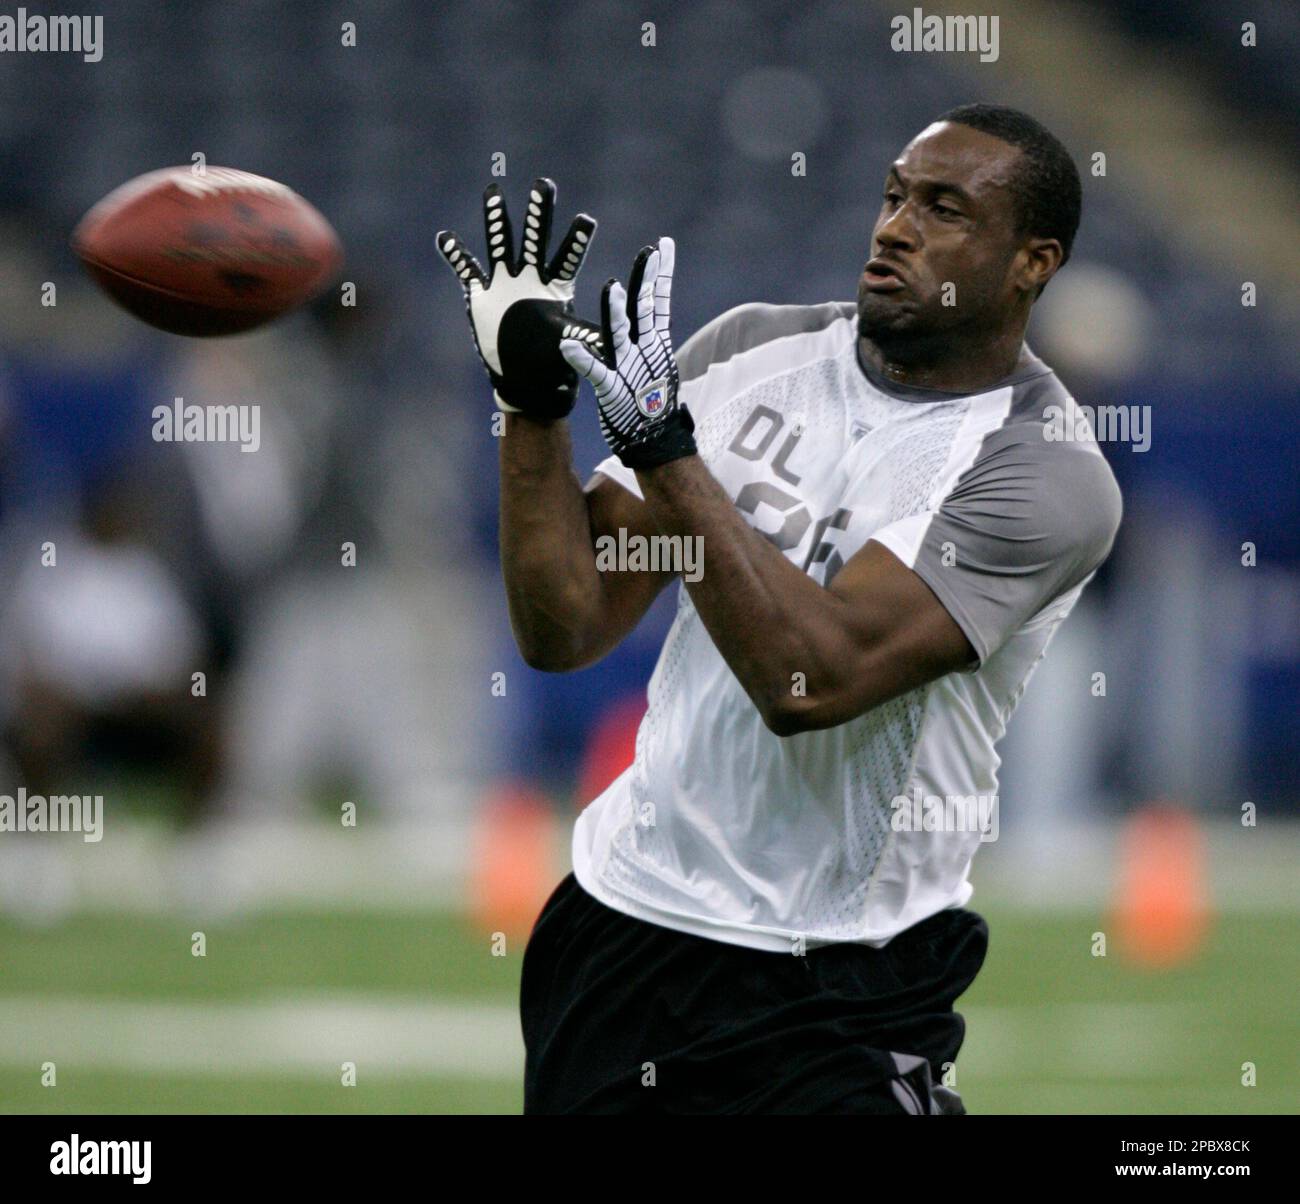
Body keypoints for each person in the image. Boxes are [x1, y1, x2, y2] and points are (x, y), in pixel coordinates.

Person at [438, 104, 1122, 1114]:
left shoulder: (1043, 470)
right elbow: (565, 622)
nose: (895, 227)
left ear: (1031, 262)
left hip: (846, 975)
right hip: (624, 932)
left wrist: (667, 450)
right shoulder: (752, 348)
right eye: (893, 196)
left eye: (942, 209)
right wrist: (529, 407)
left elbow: (814, 679)